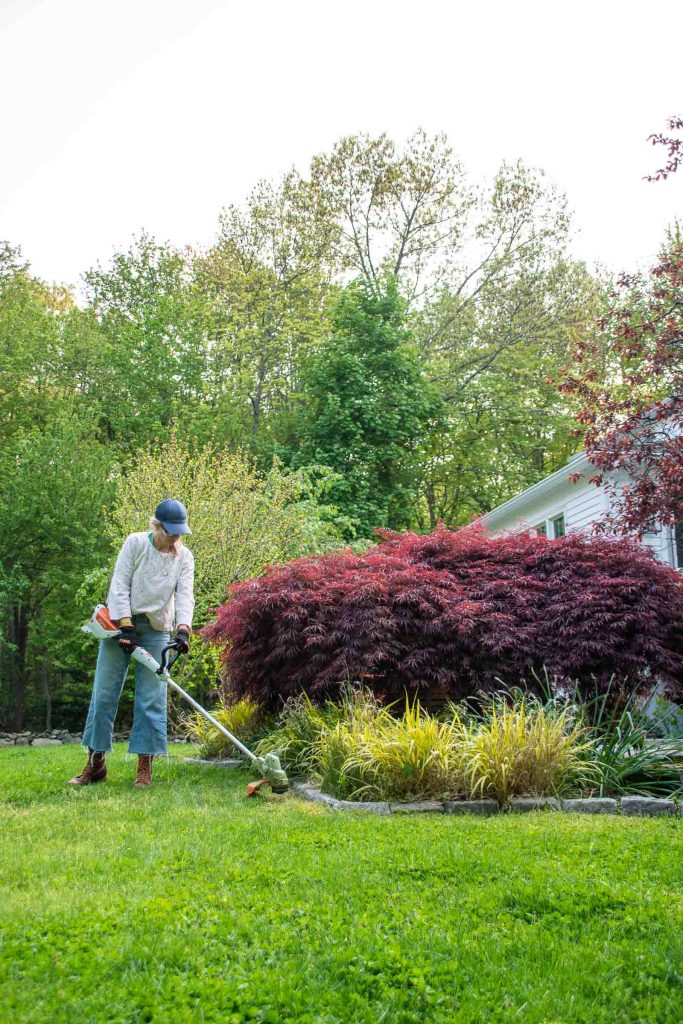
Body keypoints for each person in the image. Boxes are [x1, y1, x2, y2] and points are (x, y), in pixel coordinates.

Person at [69, 498, 195, 788]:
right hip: (120, 625)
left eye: (179, 532)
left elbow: (185, 594)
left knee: (151, 698)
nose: (176, 537)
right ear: (156, 526)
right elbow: (120, 583)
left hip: (156, 629)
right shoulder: (136, 543)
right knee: (104, 694)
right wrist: (125, 626)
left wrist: (183, 630)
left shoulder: (184, 557)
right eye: (171, 531)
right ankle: (95, 763)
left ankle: (144, 767)